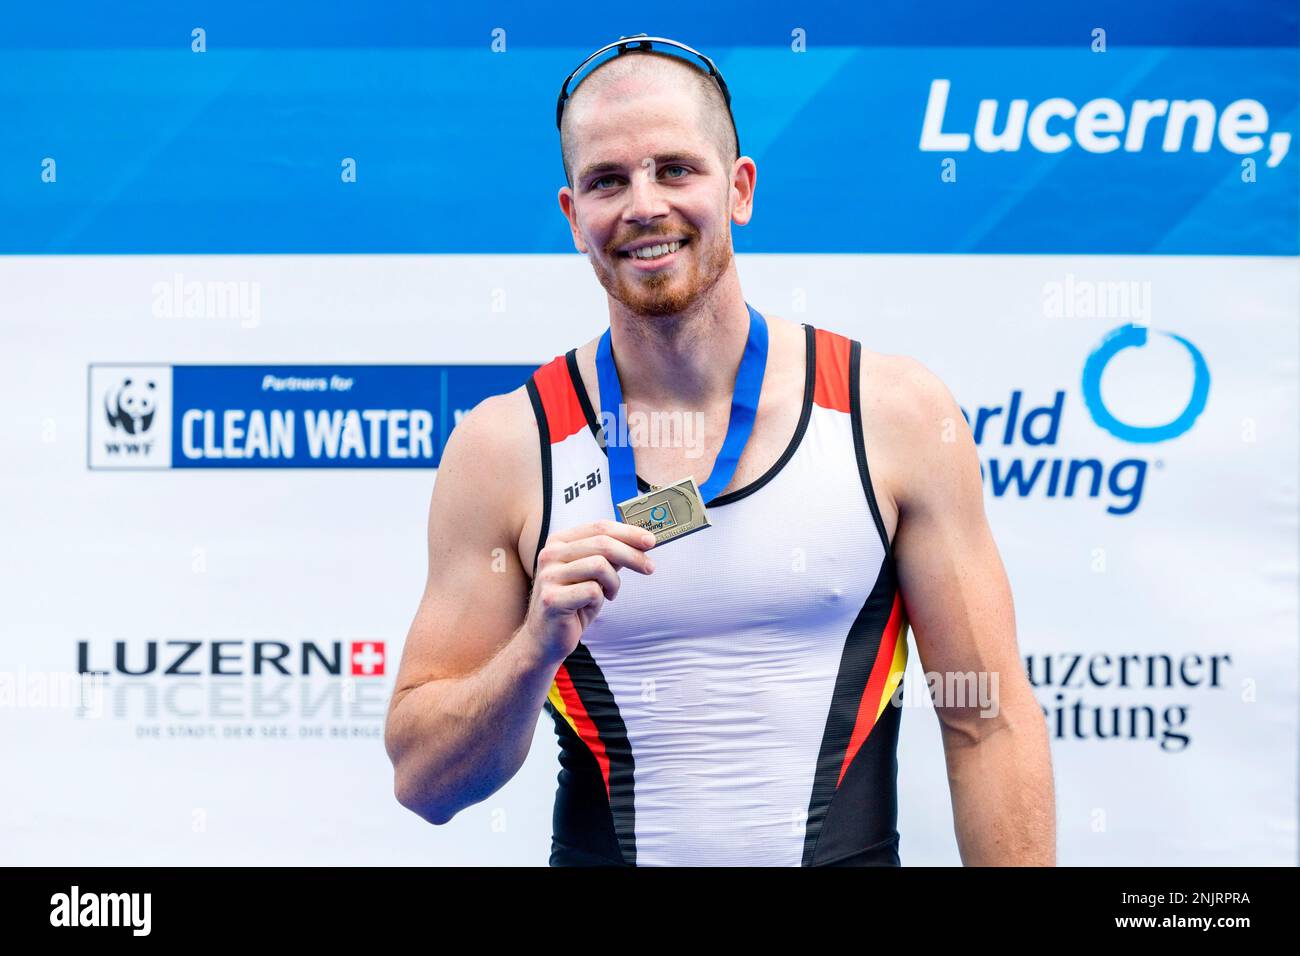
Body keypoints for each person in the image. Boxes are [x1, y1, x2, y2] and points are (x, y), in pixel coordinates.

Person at [384, 36, 1055, 866]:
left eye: (675, 169)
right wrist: (531, 651)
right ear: (572, 217)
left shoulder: (894, 414)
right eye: (607, 180)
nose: (643, 206)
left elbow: (985, 721)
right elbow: (424, 784)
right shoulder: (506, 446)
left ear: (738, 189)